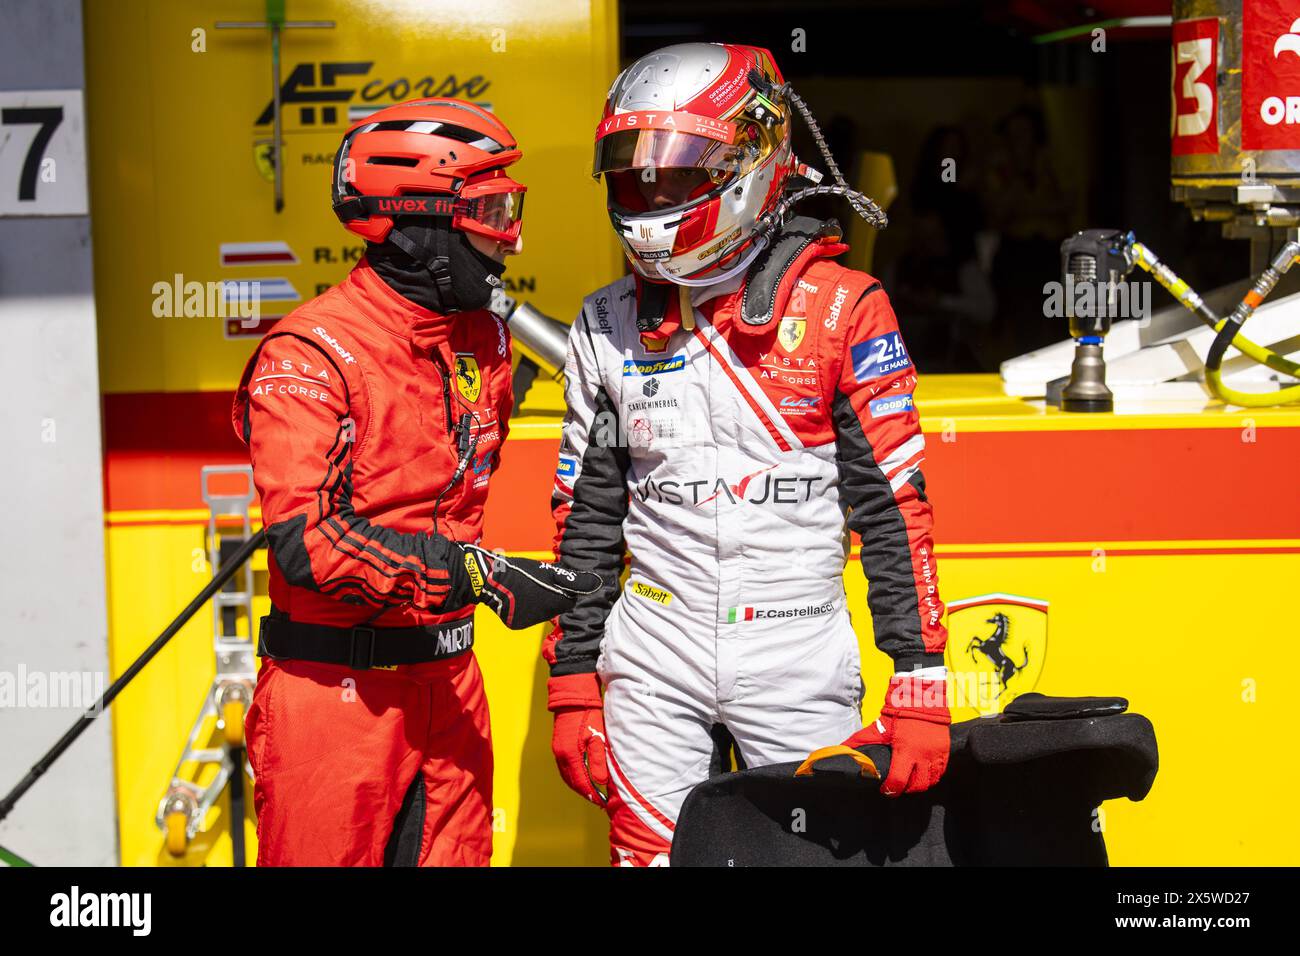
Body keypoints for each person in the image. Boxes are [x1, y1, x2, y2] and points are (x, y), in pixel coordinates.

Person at [544, 43, 951, 866]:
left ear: (750, 158)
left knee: (806, 860)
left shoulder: (845, 308)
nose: (650, 195)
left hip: (796, 650)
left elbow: (894, 505)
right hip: (654, 651)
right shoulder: (604, 320)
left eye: (674, 173)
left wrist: (919, 676)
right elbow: (586, 515)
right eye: (633, 176)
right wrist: (572, 674)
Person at [231, 99, 599, 867]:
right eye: (486, 212)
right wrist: (478, 574)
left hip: (451, 686)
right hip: (336, 701)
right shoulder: (308, 352)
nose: (505, 238)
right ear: (412, 223)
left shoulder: (489, 340)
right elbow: (307, 545)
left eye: (508, 208)